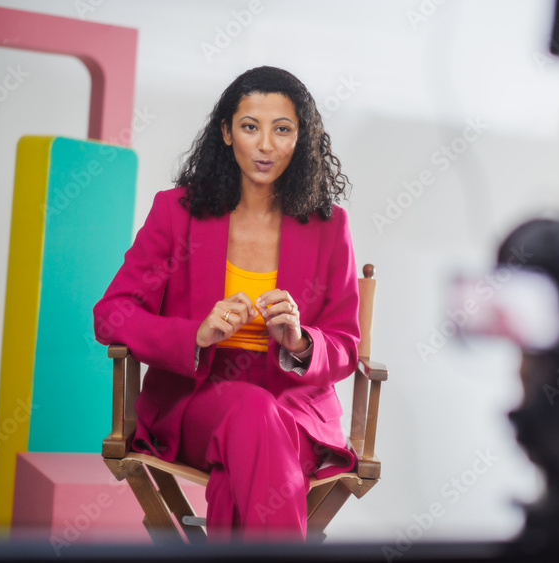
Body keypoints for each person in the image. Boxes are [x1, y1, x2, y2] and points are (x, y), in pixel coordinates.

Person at [93, 66, 360, 541]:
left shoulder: (328, 226)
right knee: (252, 416)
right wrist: (193, 334)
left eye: (282, 130)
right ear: (225, 131)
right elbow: (112, 314)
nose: (265, 145)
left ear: (301, 138)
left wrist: (300, 341)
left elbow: (344, 346)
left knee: (244, 461)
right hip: (197, 398)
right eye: (250, 126)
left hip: (294, 410)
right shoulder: (176, 213)